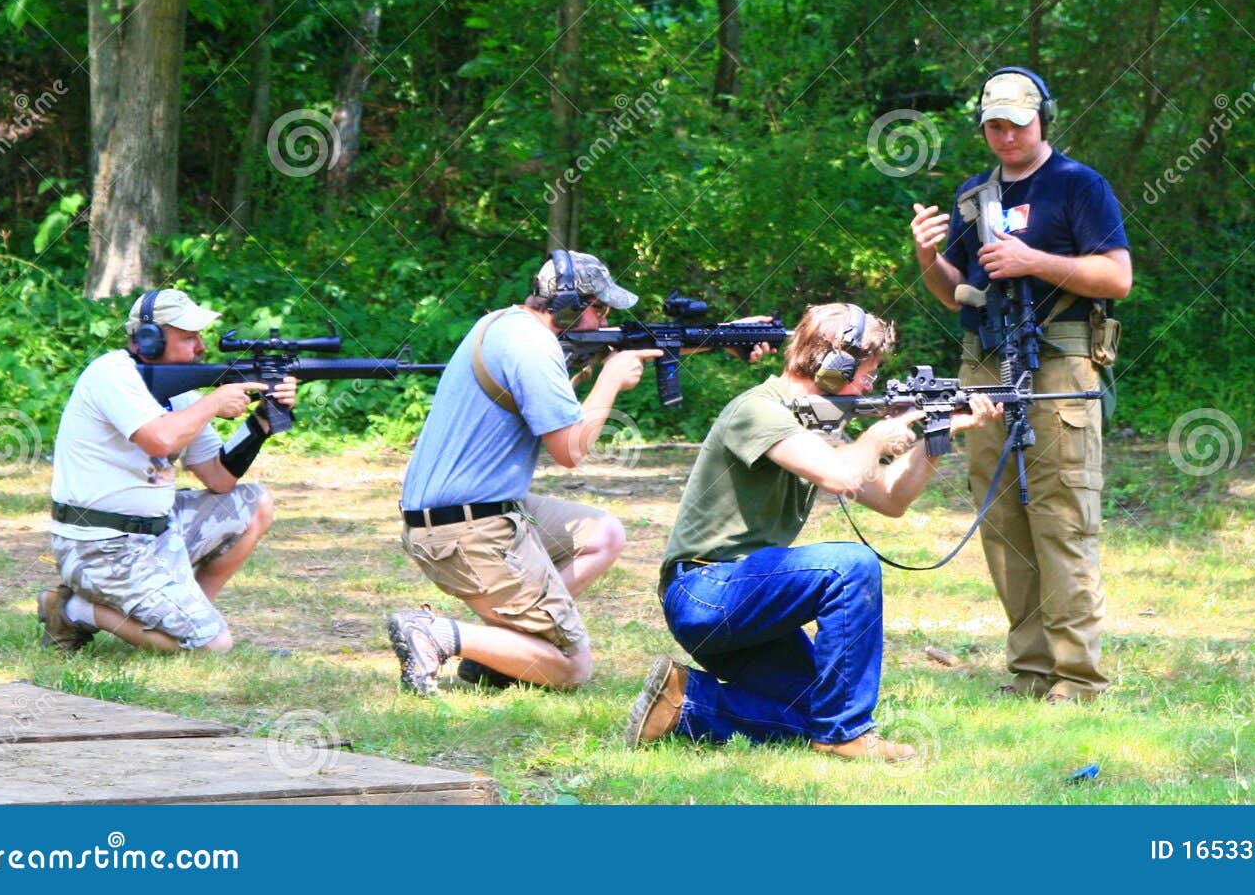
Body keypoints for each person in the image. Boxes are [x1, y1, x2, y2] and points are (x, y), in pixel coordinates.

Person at [625, 303, 998, 762]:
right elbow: (840, 476)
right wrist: (877, 437)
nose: (870, 386)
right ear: (834, 362)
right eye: (867, 373)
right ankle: (848, 734)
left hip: (744, 605)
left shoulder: (813, 424)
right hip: (704, 592)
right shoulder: (758, 410)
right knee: (850, 566)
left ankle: (685, 703)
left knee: (815, 710)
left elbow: (890, 499)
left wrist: (939, 434)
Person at [909, 67, 1131, 703]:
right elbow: (955, 293)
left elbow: (1117, 278)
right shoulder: (973, 194)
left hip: (1058, 364)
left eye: (1017, 123)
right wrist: (928, 256)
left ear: (1043, 119)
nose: (1006, 136)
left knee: (1061, 517)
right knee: (1002, 518)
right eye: (994, 126)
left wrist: (1034, 262)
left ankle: (1077, 677)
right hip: (984, 364)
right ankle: (1031, 669)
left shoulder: (1078, 185)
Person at [383, 251, 660, 696]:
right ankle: (435, 634)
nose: (604, 321)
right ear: (568, 304)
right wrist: (609, 379)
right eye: (600, 309)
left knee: (603, 534)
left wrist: (721, 338)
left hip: (462, 514)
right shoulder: (532, 346)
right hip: (467, 531)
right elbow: (570, 450)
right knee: (571, 666)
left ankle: (501, 653)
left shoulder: (503, 324)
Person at [39, 288, 296, 654]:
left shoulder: (180, 393)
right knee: (215, 647)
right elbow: (160, 439)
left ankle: (192, 619)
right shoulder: (111, 374)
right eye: (188, 337)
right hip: (100, 547)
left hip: (157, 533)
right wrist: (213, 402)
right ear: (149, 340)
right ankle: (74, 610)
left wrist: (262, 422)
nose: (201, 346)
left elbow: (219, 478)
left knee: (257, 503)